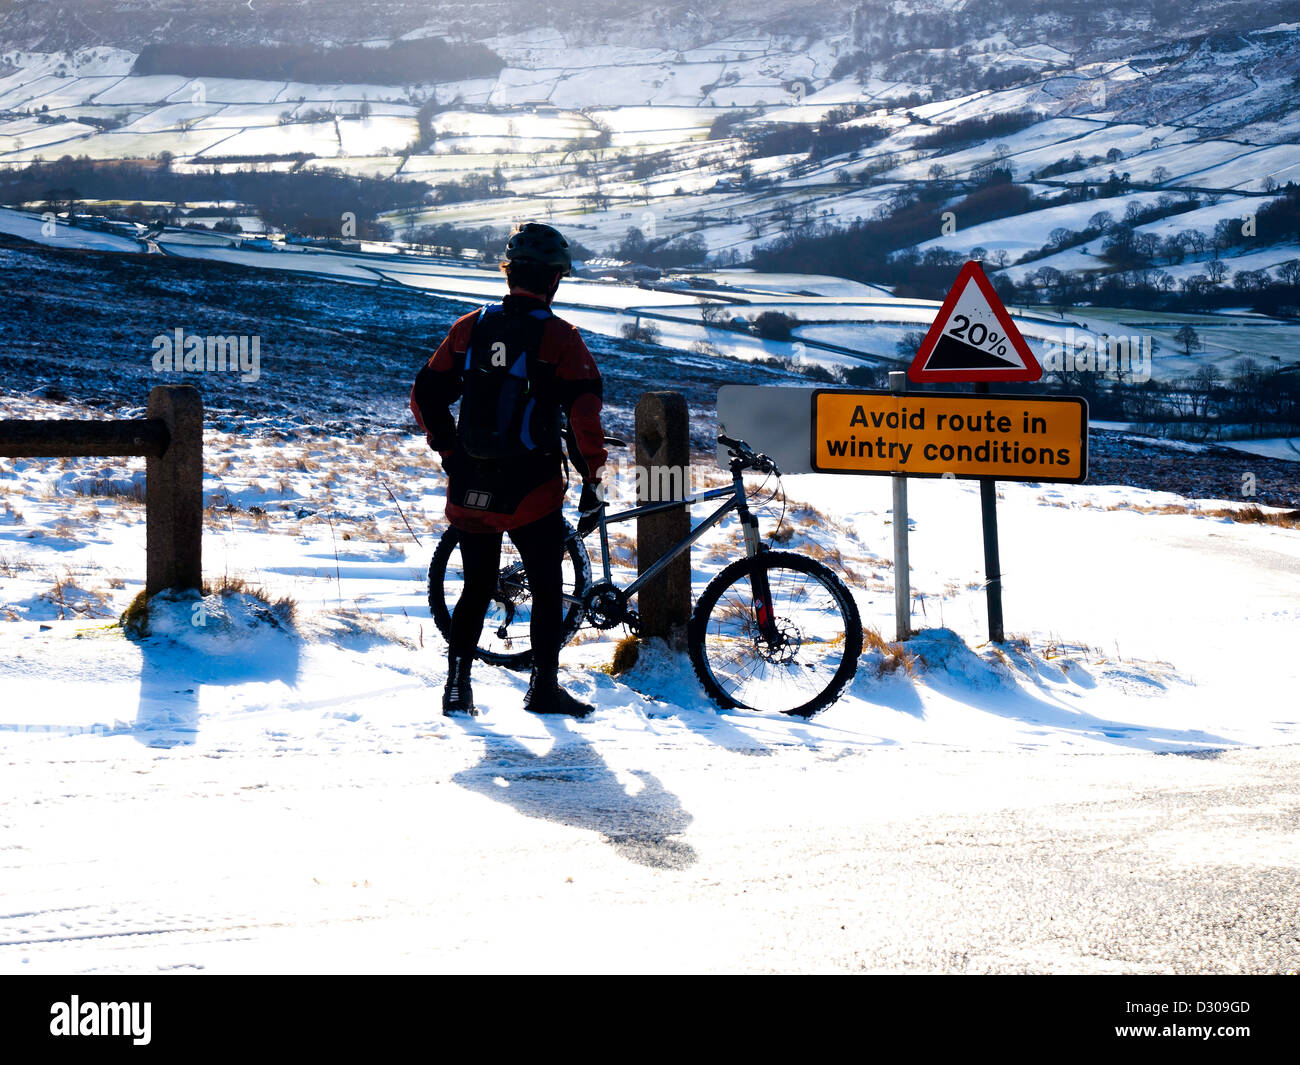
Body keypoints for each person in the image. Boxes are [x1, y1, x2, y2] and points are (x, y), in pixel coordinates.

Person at [410, 222, 607, 719]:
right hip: (532, 485)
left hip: (470, 479)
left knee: (476, 583)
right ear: (554, 281)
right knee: (545, 585)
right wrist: (592, 481)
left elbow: (425, 394)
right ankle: (542, 689)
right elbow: (584, 419)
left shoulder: (470, 326)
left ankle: (457, 688)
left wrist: (450, 452)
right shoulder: (562, 338)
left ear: (510, 272)